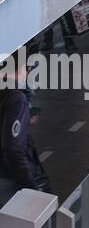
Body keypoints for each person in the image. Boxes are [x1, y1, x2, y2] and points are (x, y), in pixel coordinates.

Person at [0, 67, 50, 204]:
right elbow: (13, 150)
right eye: (27, 69)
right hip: (8, 179)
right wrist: (30, 186)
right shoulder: (16, 98)